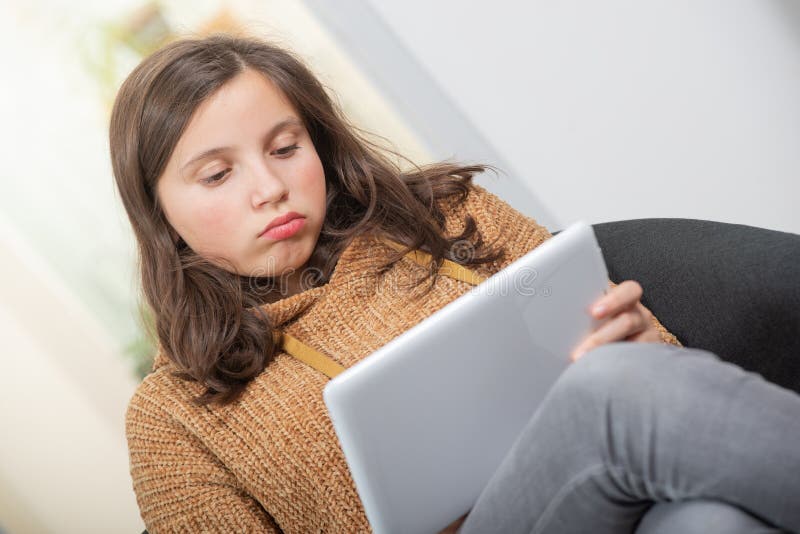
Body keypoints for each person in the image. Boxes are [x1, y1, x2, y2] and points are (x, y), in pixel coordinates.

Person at [110, 34, 799, 533]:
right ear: (160, 211)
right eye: (218, 174)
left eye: (286, 148)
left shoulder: (442, 216)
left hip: (613, 493)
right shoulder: (169, 420)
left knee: (709, 521)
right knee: (610, 392)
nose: (270, 188)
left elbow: (657, 388)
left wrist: (652, 344)